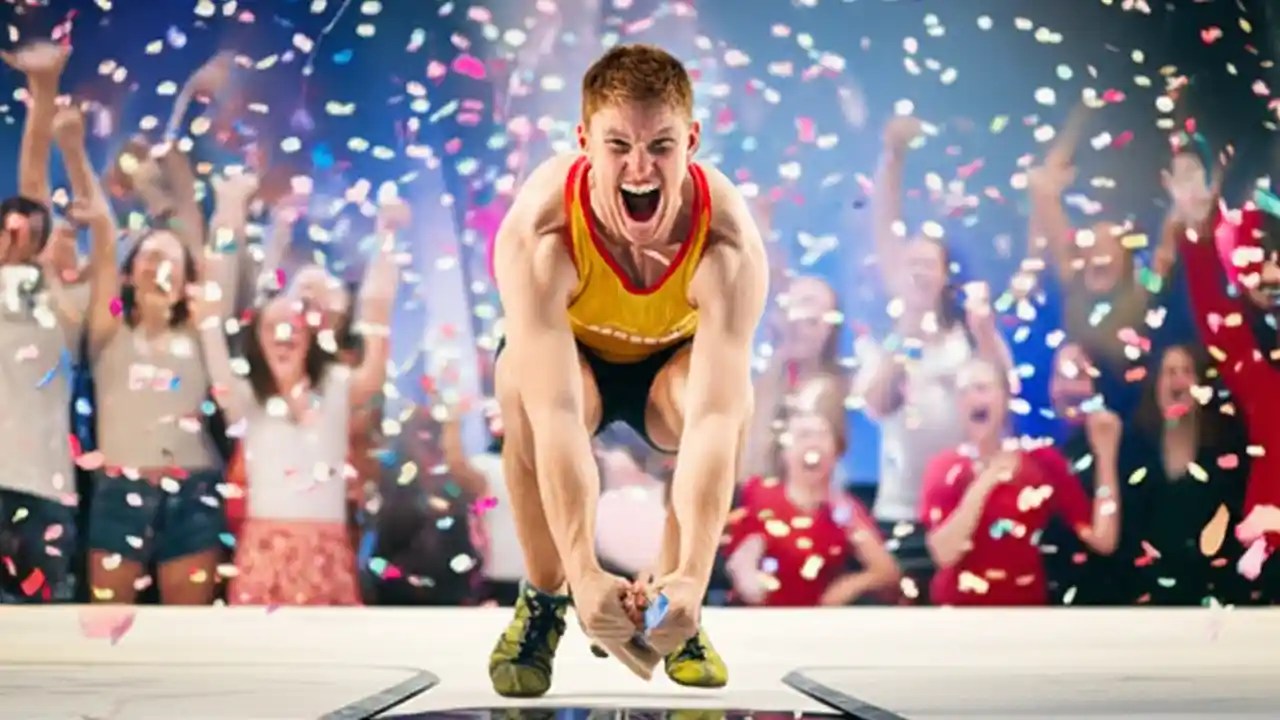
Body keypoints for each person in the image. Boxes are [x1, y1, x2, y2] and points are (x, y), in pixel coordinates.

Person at [486, 43, 767, 697]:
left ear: (691, 142)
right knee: (519, 388)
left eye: (660, 146)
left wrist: (694, 574)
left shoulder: (727, 243)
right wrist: (582, 573)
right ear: (584, 142)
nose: (639, 169)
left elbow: (714, 422)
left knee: (732, 402)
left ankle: (676, 604)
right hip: (573, 364)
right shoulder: (541, 233)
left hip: (668, 372)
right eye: (619, 146)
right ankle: (544, 602)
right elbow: (557, 418)